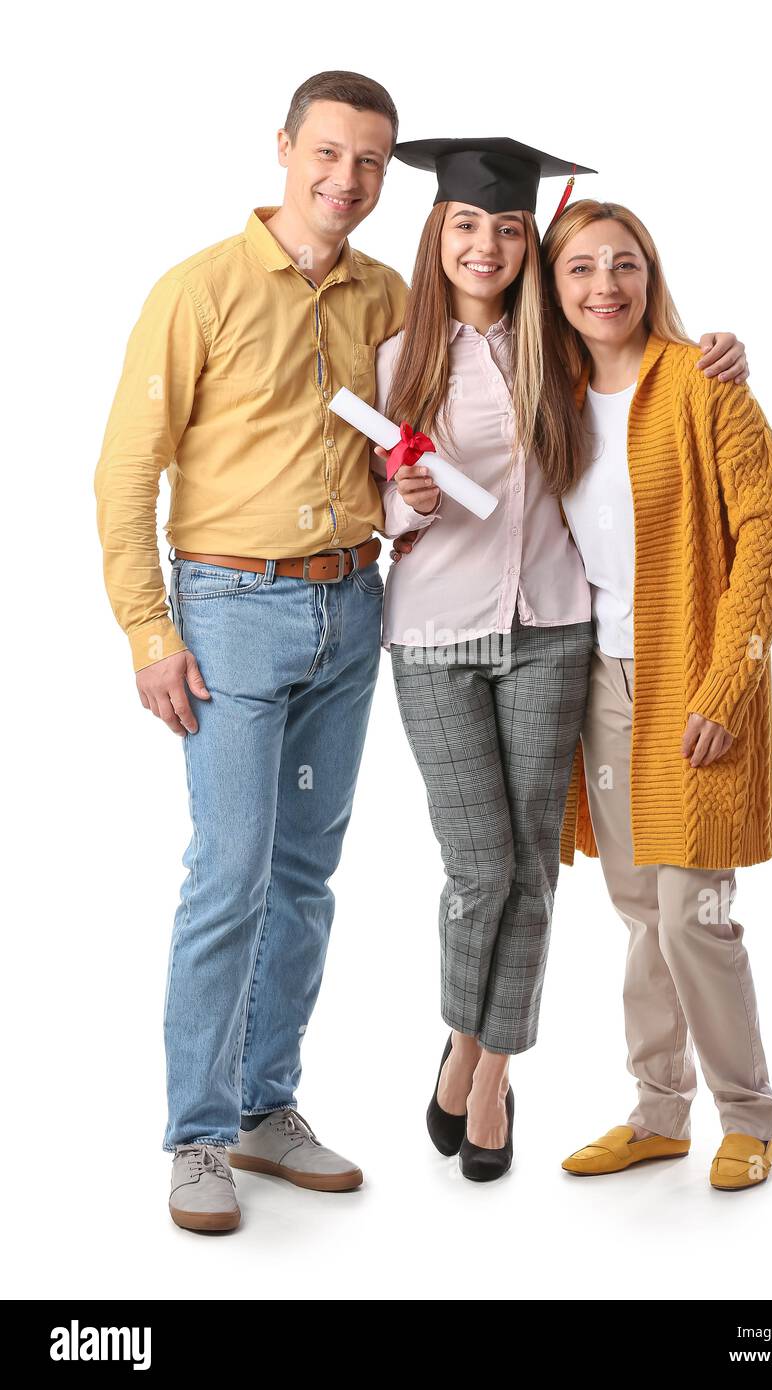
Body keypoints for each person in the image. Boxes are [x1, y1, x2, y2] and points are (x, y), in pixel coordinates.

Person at [94, 71, 434, 1234]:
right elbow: (125, 473)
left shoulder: (385, 295)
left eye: (372, 163)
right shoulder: (198, 289)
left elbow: (411, 429)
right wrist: (149, 629)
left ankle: (263, 1105)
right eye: (328, 153)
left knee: (303, 878)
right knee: (228, 874)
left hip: (351, 607)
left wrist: (409, 483)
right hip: (230, 609)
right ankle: (196, 1135)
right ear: (284, 147)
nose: (347, 180)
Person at [372, 139, 749, 1182]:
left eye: (505, 226)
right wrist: (393, 505)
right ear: (436, 232)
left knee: (534, 868)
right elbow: (360, 501)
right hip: (437, 637)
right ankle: (462, 1037)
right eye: (465, 225)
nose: (485, 244)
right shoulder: (391, 358)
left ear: (526, 241)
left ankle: (490, 1075)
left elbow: (646, 382)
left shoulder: (560, 349)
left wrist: (717, 350)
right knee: (477, 870)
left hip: (552, 632)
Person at [545, 200, 772, 1190]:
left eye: (623, 265)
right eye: (580, 270)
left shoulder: (704, 381)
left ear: (648, 276)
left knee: (694, 910)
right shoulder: (549, 397)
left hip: (692, 680)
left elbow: (767, 543)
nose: (604, 286)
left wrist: (727, 684)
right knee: (642, 906)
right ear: (554, 291)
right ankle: (657, 1111)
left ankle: (749, 1115)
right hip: (598, 689)